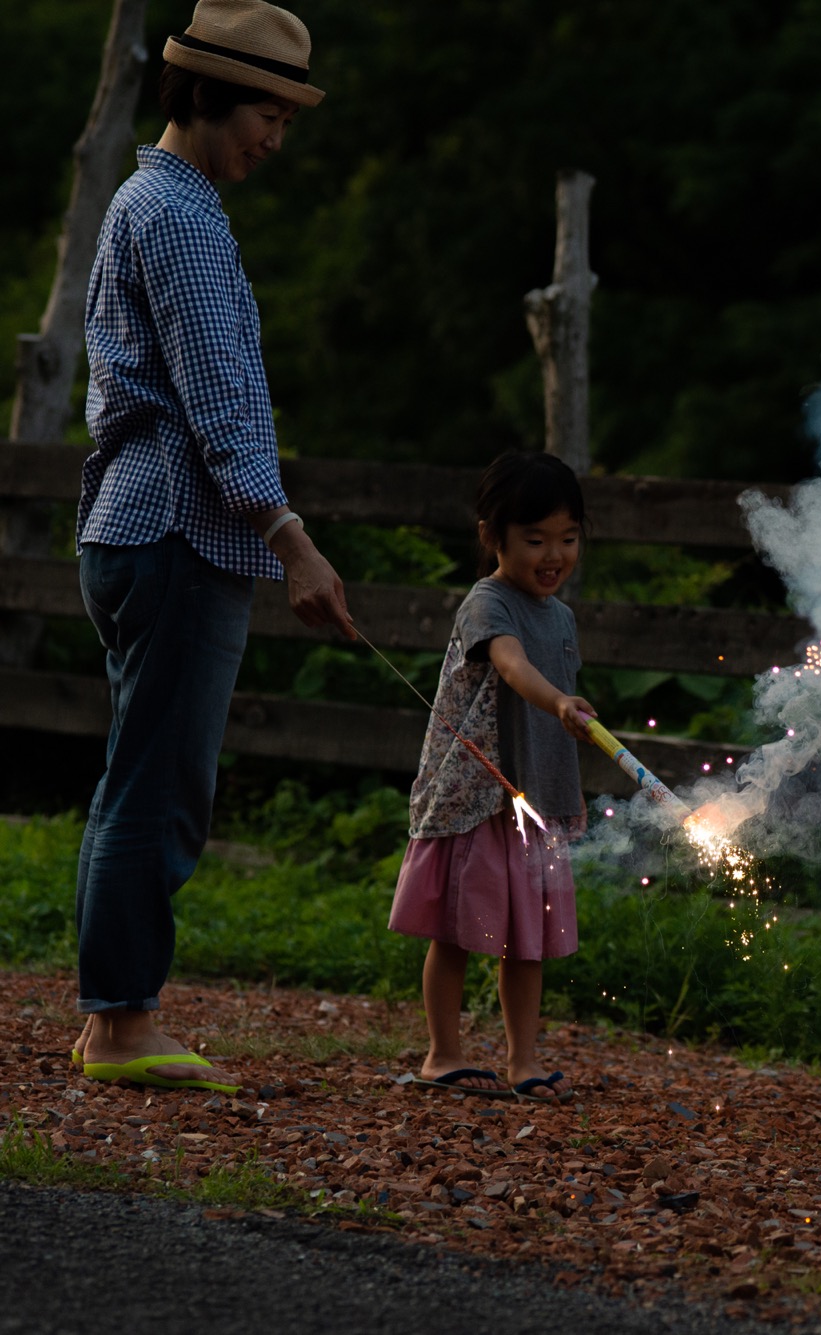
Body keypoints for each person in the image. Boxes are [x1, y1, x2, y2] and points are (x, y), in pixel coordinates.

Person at [74, 0, 349, 1095]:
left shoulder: (151, 202)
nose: (275, 139)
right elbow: (220, 403)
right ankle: (121, 1024)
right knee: (161, 785)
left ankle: (113, 1012)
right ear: (206, 97)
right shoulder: (179, 217)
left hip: (138, 529)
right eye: (267, 114)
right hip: (180, 531)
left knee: (136, 775)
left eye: (286, 117)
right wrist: (293, 542)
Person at [388, 452, 594, 1102]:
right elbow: (509, 665)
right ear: (492, 537)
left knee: (526, 942)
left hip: (538, 802)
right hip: (478, 799)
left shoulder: (560, 615)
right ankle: (442, 1053)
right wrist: (559, 701)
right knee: (454, 931)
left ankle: (522, 1059)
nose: (553, 554)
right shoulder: (488, 602)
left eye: (567, 538)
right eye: (535, 539)